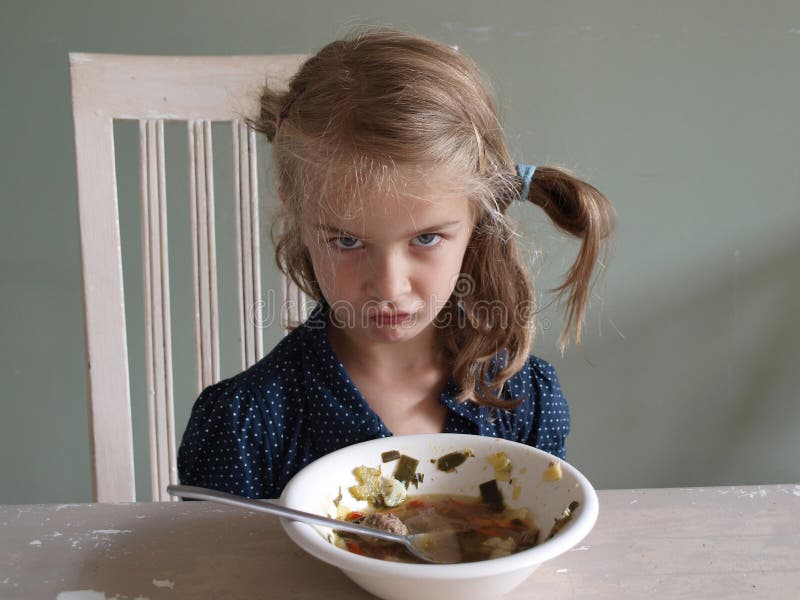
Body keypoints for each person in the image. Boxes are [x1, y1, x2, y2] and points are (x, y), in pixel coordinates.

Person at [177, 26, 614, 499]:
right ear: (297, 214)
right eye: (347, 241)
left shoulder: (525, 401)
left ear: (476, 219)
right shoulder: (242, 425)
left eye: (426, 238)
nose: (389, 286)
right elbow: (217, 571)